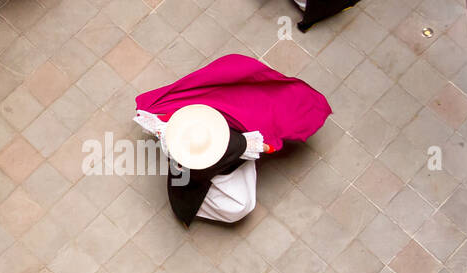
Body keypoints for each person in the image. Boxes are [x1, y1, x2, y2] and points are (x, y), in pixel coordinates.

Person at [134, 55, 333, 226]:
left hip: (198, 160)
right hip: (203, 164)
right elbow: (260, 145)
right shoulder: (235, 142)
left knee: (234, 200)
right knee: (240, 206)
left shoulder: (170, 123)